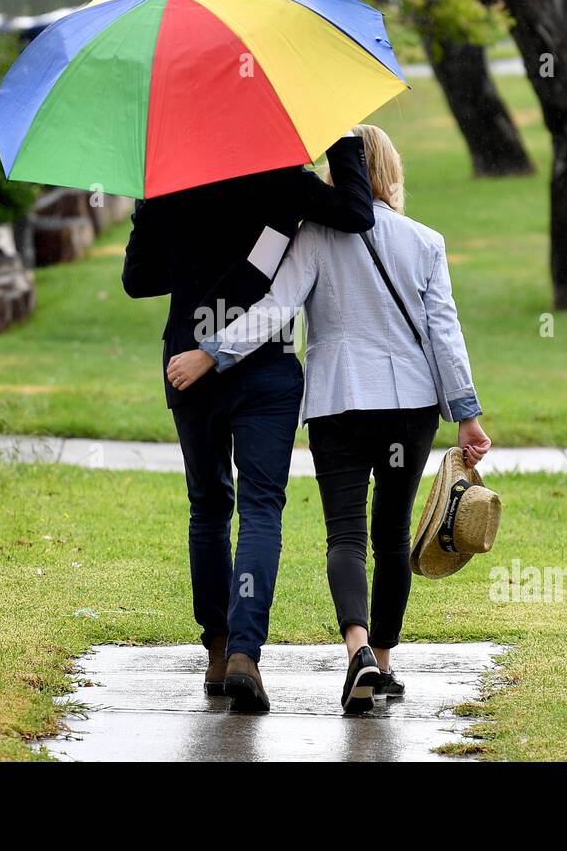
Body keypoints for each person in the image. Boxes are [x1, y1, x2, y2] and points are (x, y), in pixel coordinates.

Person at [166, 124, 490, 715]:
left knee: (345, 533)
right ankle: (383, 665)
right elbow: (444, 330)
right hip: (409, 404)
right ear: (389, 171)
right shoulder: (426, 241)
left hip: (338, 402)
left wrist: (213, 352)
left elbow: (275, 308)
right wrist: (465, 412)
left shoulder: (313, 237)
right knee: (392, 536)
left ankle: (358, 648)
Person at [122, 134, 375, 713]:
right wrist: (343, 137)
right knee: (261, 507)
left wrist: (148, 203)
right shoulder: (278, 171)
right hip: (265, 367)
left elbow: (139, 280)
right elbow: (357, 213)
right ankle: (244, 655)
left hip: (189, 366)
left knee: (208, 506)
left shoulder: (171, 177)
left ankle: (216, 650)